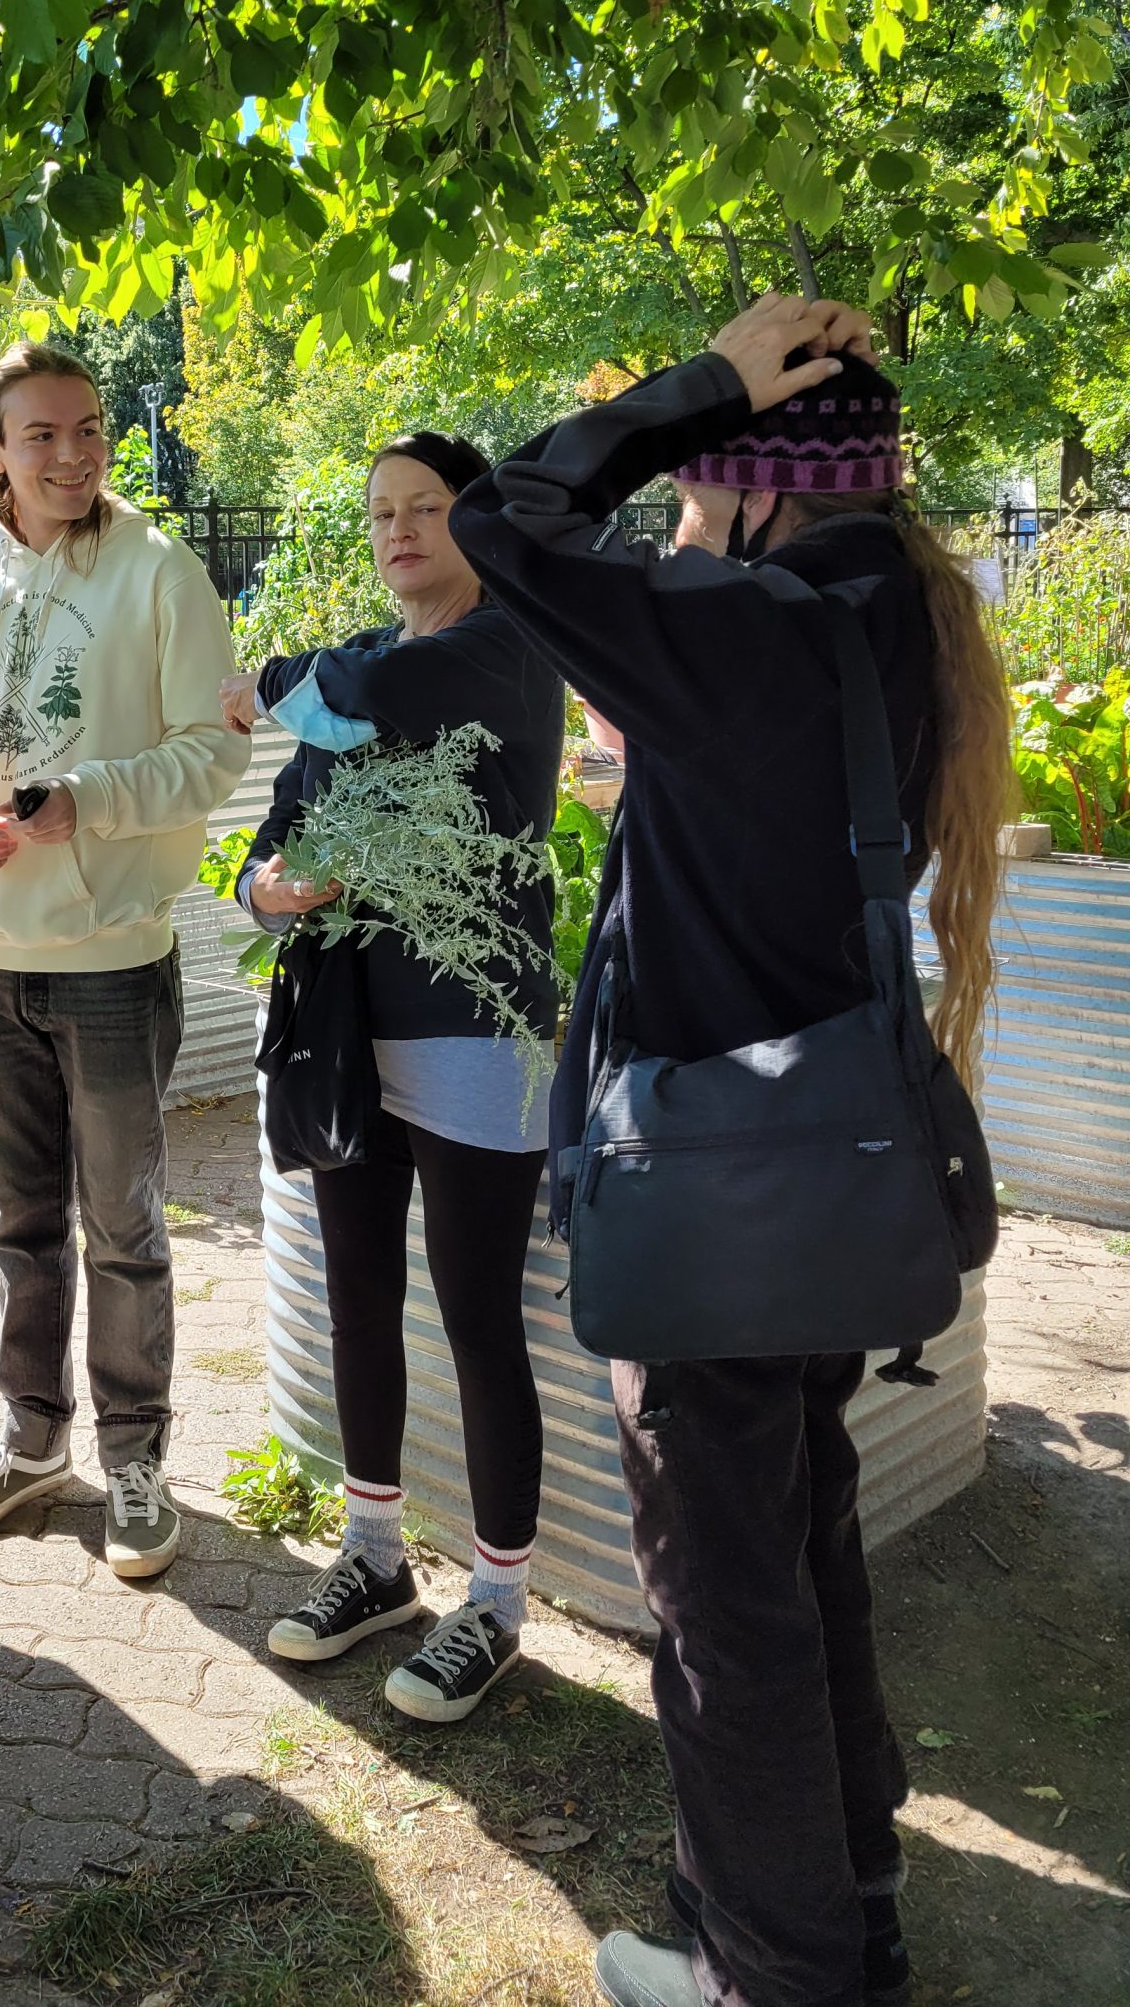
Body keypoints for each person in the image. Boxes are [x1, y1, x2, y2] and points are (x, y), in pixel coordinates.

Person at [450, 294, 1012, 2007]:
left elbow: (504, 517)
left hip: (710, 1191)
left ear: (759, 477)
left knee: (728, 1599)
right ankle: (846, 1905)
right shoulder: (887, 611)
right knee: (802, 1532)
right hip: (820, 1169)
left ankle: (771, 1970)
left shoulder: (750, 625)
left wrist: (685, 398)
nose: (679, 509)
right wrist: (711, 420)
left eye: (702, 476)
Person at [220, 432, 563, 1724]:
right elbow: (262, 854)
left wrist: (263, 678)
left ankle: (496, 1604)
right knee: (358, 1298)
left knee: (480, 1322)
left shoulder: (503, 654)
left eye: (428, 507)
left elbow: (347, 701)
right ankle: (372, 1560)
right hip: (348, 1039)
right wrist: (271, 887)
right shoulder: (366, 674)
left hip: (475, 1036)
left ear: (474, 526)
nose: (402, 528)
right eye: (383, 512)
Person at [0, 340, 247, 1580]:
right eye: (39, 434)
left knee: (123, 1224)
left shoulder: (159, 571)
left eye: (88, 429)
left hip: (109, 958)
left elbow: (216, 750)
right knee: (18, 1224)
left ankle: (137, 1455)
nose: (72, 453)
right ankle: (34, 1440)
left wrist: (84, 800)